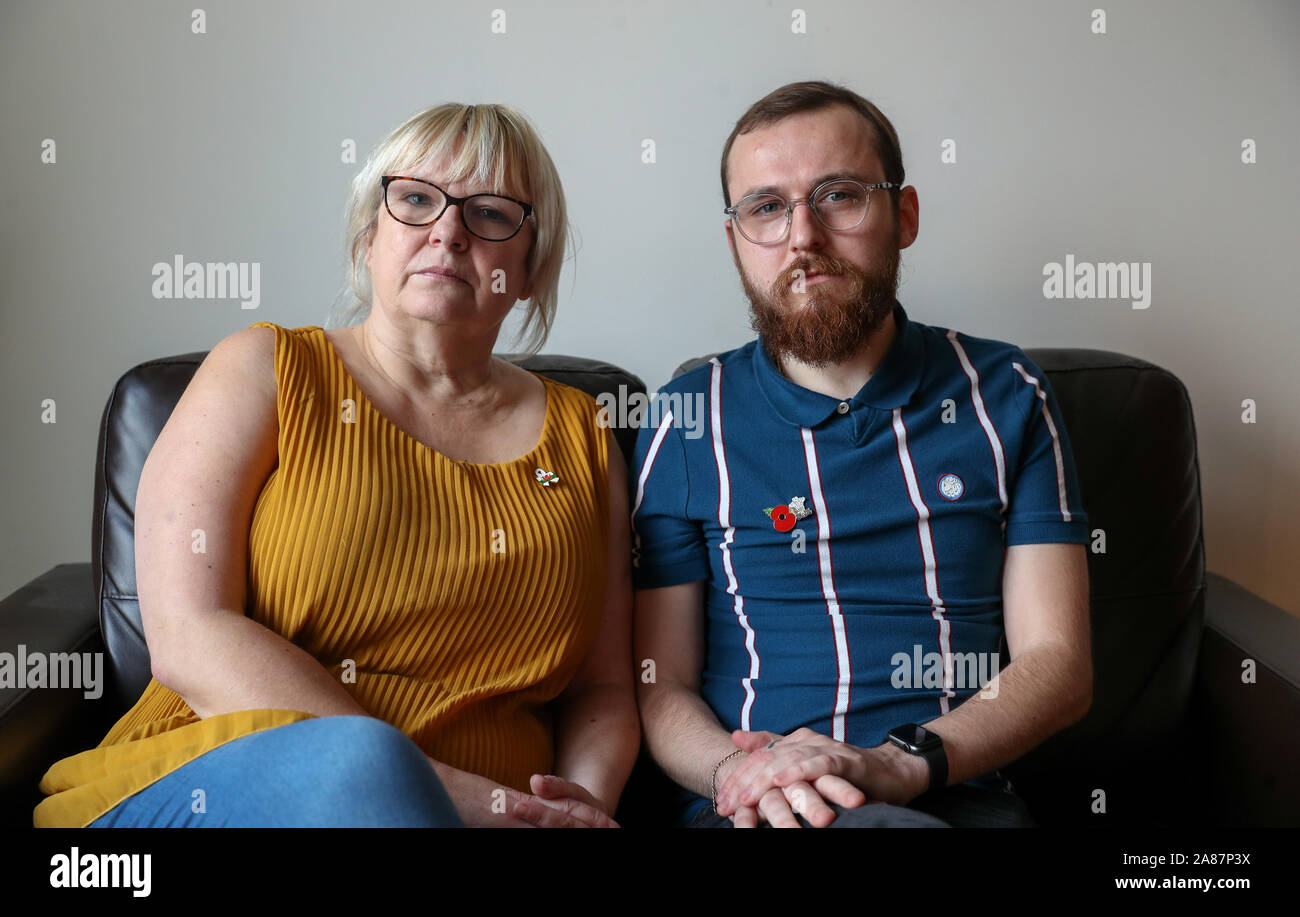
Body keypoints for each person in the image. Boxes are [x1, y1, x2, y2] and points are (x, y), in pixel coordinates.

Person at [34, 103, 639, 828]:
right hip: (214, 783)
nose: (447, 231)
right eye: (415, 199)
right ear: (369, 234)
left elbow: (603, 688)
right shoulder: (264, 370)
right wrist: (448, 788)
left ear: (531, 267)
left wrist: (580, 810)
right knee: (364, 766)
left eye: (489, 213)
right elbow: (189, 633)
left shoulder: (585, 435)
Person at [630, 81, 1092, 828]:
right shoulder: (687, 418)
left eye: (839, 195)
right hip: (751, 813)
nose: (802, 236)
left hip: (954, 799)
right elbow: (658, 682)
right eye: (767, 208)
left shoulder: (1005, 393)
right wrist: (742, 772)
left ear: (903, 215)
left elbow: (1058, 664)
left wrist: (896, 763)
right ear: (735, 240)